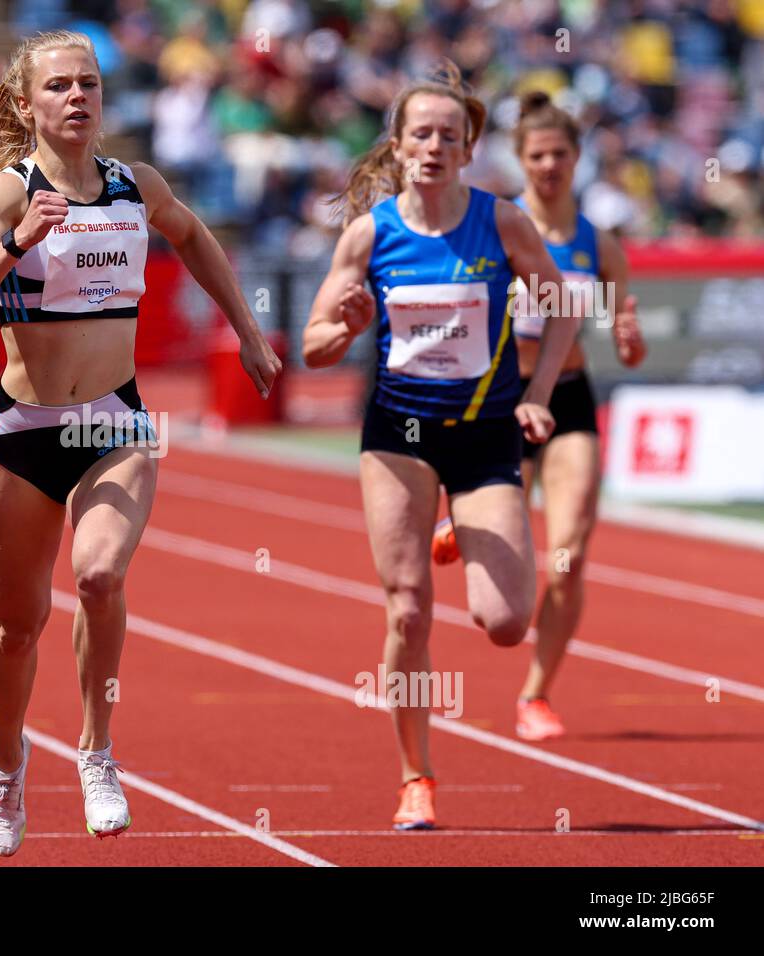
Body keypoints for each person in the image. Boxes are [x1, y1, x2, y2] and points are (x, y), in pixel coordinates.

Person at [0, 31, 280, 856]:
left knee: (99, 574)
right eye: (59, 86)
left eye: (89, 84)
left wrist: (248, 332)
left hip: (114, 423)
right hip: (23, 431)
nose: (78, 97)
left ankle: (96, 750)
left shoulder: (134, 186)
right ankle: (9, 762)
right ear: (27, 104)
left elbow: (191, 237)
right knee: (17, 625)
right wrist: (16, 244)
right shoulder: (8, 195)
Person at [302, 62, 578, 829]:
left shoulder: (503, 223)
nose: (432, 147)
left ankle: (460, 523)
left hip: (486, 436)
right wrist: (344, 328)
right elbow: (314, 343)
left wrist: (538, 395)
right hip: (398, 437)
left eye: (448, 137)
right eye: (419, 134)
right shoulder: (371, 234)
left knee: (505, 623)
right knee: (409, 609)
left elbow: (561, 311)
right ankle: (415, 775)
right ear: (396, 145)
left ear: (468, 148)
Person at [434, 92, 646, 741]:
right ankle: (467, 520)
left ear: (578, 158)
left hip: (571, 398)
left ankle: (535, 694)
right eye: (537, 155)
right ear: (521, 161)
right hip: (501, 397)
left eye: (559, 153)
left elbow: (625, 339)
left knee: (570, 555)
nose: (549, 164)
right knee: (510, 527)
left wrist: (631, 338)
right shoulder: (499, 227)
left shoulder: (598, 243)